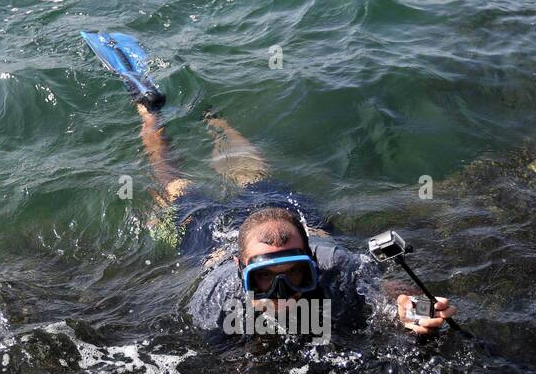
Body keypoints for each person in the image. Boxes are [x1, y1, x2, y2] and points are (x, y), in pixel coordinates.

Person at [134, 103, 458, 340]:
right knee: (176, 186)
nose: (282, 292)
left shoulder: (339, 265)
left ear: (313, 262)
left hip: (285, 213)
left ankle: (213, 117)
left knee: (253, 176)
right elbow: (235, 370)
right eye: (264, 278)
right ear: (240, 269)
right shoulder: (214, 300)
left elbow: (381, 290)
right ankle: (151, 114)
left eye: (295, 273)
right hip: (213, 234)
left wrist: (406, 306)